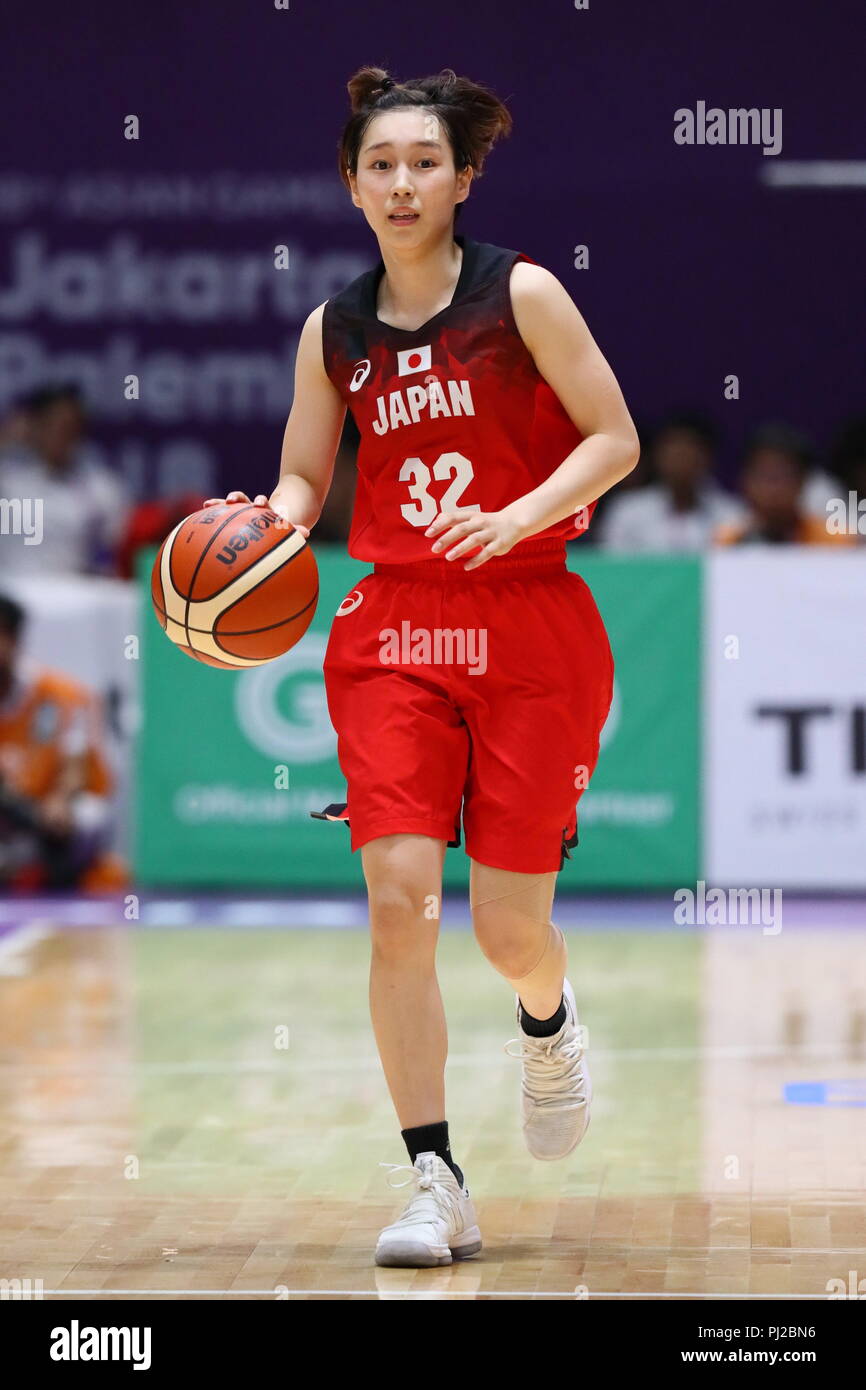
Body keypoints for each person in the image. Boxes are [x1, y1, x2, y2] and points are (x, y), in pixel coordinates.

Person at [204, 66, 639, 1268]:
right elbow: (306, 474)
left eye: (423, 163)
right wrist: (273, 520)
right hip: (393, 628)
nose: (401, 184)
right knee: (398, 900)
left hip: (527, 620)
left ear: (460, 176)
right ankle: (434, 1177)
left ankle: (546, 1023)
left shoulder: (524, 295)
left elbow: (614, 438)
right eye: (379, 165)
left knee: (508, 931)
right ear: (351, 184)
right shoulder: (332, 331)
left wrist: (520, 515)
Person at [0, 594, 118, 890]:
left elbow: (76, 762)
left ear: (13, 640)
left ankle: (43, 873)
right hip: (8, 812)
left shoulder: (61, 695)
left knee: (87, 815)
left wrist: (60, 799)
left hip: (44, 813)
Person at [0, 385, 129, 575]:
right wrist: (5, 438)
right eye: (51, 425)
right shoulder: (8, 478)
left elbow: (120, 546)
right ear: (33, 426)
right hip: (13, 593)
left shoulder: (100, 486)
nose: (60, 435)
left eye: (69, 427)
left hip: (74, 594)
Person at [599, 413, 744, 551]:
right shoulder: (627, 510)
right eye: (675, 453)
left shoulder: (731, 514)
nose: (681, 461)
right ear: (658, 455)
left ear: (708, 457)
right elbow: (612, 568)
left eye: (689, 453)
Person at [715, 424, 855, 546]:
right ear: (745, 481)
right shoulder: (728, 542)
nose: (773, 489)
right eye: (765, 476)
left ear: (803, 482)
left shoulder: (833, 542)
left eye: (783, 476)